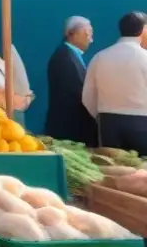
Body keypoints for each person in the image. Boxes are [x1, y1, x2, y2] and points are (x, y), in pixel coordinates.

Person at [82, 11, 147, 153]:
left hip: (108, 123)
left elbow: (88, 96)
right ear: (142, 30)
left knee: (111, 168)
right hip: (143, 123)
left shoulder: (100, 57)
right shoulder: (145, 57)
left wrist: (102, 114)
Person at [44, 17, 97, 145]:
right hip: (68, 128)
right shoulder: (64, 57)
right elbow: (76, 92)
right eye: (87, 32)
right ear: (72, 33)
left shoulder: (70, 55)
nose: (90, 38)